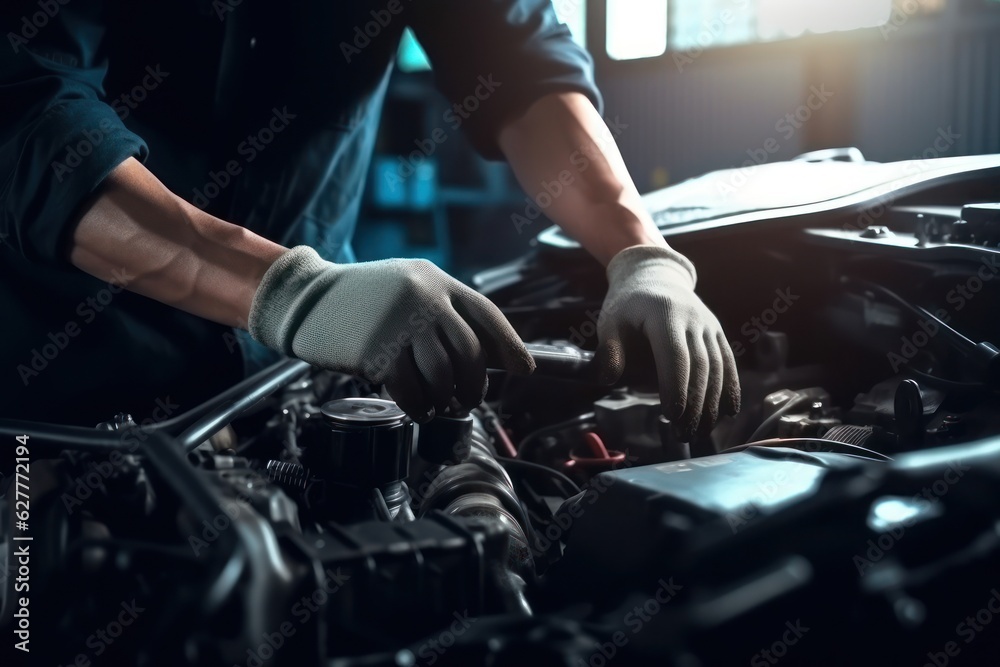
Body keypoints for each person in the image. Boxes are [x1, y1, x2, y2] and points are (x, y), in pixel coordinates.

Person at [1, 0, 740, 436]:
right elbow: (30, 120)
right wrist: (297, 294)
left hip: (294, 383)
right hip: (59, 393)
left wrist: (640, 255)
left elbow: (521, 65)